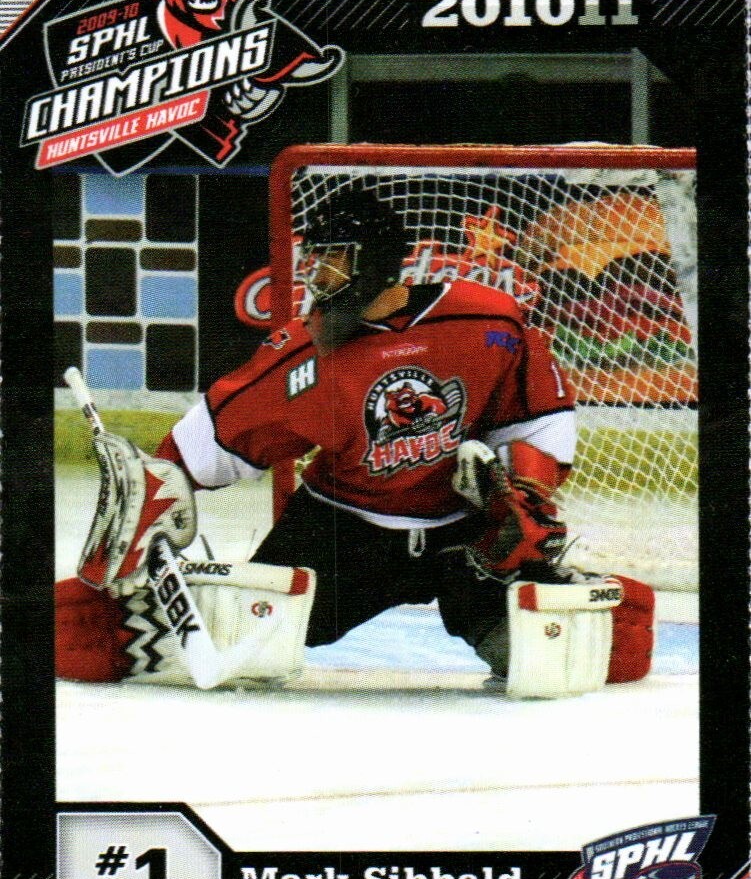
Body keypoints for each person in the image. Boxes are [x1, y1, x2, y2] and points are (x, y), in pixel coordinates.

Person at [56, 184, 652, 691]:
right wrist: (162, 485)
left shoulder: (488, 321)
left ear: (378, 261)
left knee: (552, 655)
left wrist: (525, 493)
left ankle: (568, 599)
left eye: (334, 261)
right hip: (342, 535)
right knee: (241, 641)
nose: (318, 276)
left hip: (464, 533)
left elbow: (536, 417)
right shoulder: (305, 357)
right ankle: (112, 625)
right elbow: (207, 443)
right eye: (314, 261)